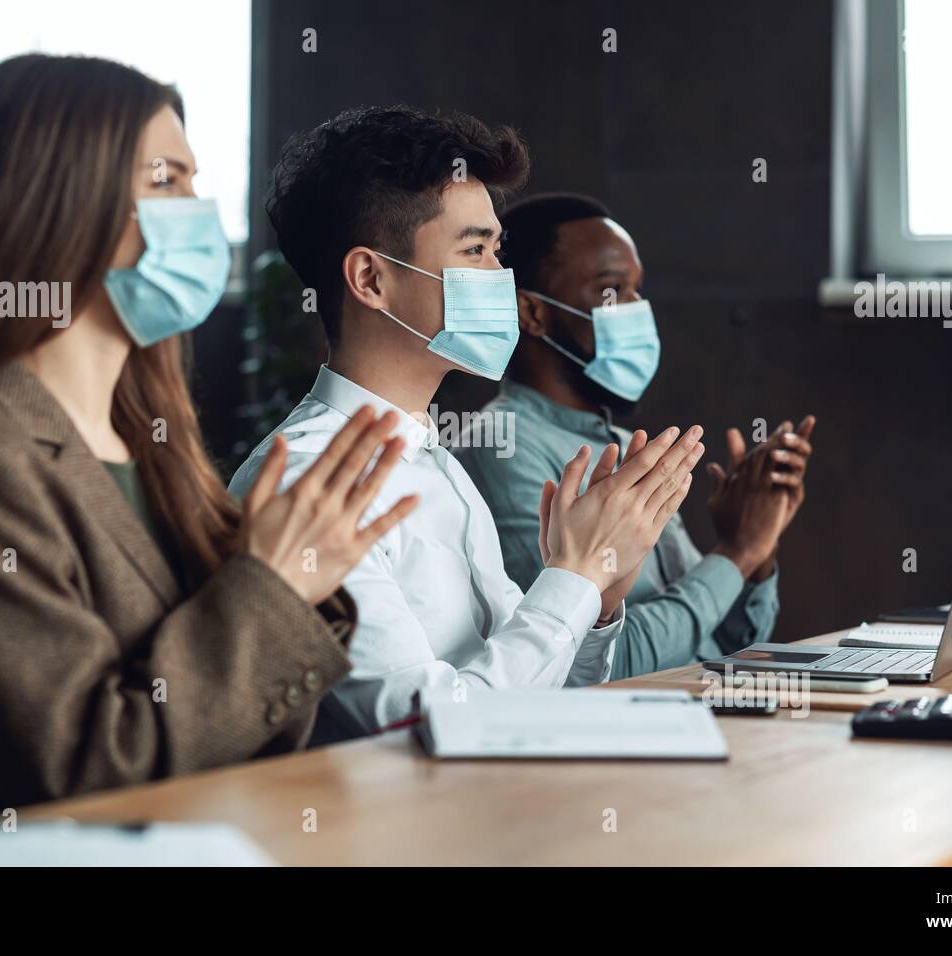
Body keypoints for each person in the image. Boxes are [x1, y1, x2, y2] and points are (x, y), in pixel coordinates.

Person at [0, 55, 415, 818]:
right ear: (53, 201)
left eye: (196, 182)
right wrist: (274, 588)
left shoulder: (150, 438)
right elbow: (80, 766)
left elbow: (245, 730)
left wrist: (295, 577)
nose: (198, 212)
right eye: (165, 181)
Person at [230, 108, 705, 743]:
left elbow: (542, 699)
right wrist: (573, 578)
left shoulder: (438, 463)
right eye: (475, 250)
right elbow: (433, 724)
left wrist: (599, 600)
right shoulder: (305, 485)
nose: (500, 282)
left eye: (496, 251)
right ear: (371, 279)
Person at [456, 193, 816, 679]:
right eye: (611, 290)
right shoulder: (501, 448)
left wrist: (756, 543)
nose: (635, 309)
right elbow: (596, 665)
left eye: (635, 290)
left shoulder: (627, 444)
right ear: (531, 312)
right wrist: (735, 555)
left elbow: (733, 646)